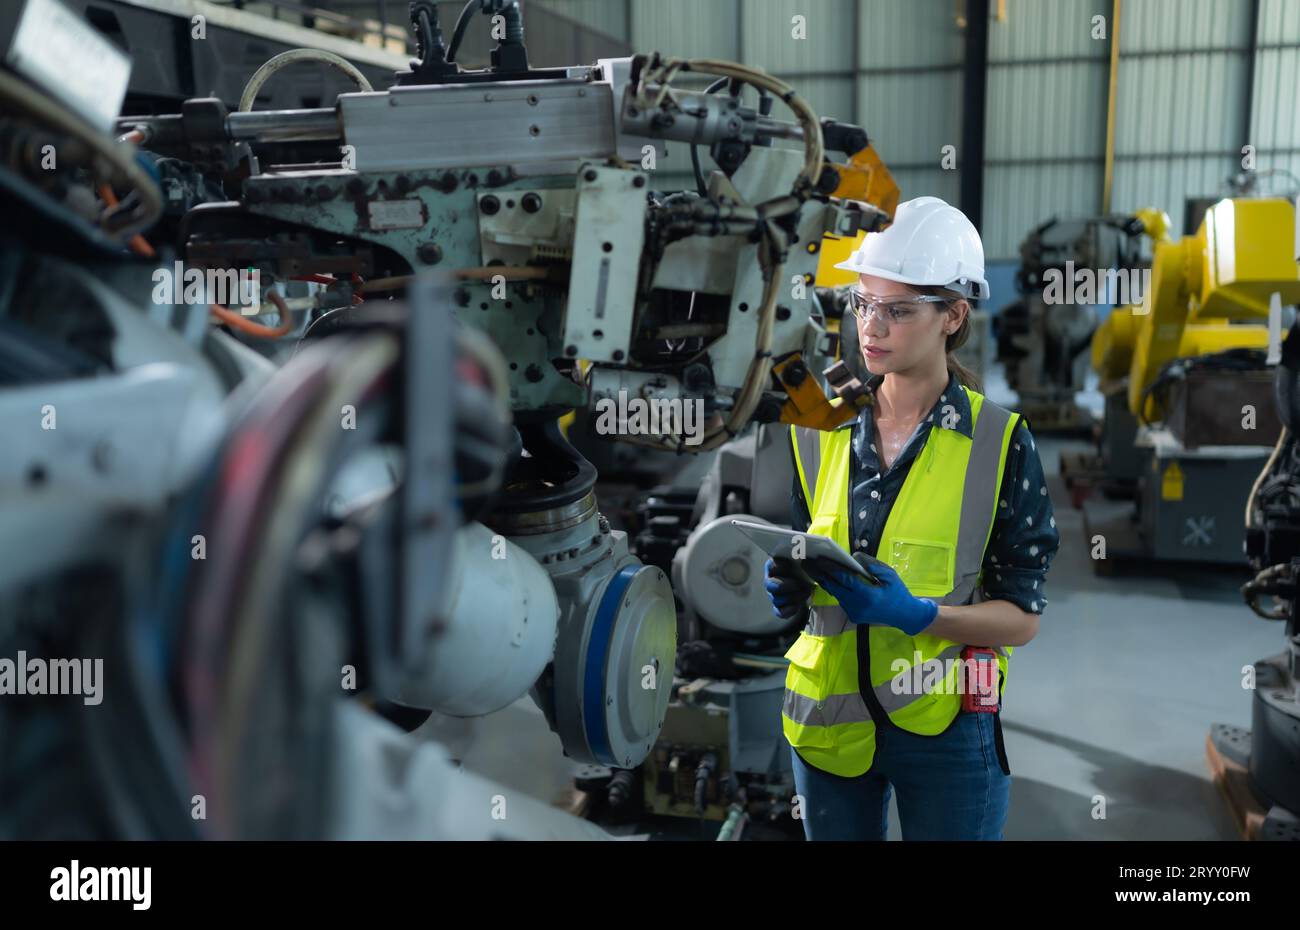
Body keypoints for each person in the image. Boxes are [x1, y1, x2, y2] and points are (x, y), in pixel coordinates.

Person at [764, 196, 1060, 840]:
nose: (871, 327)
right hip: (826, 722)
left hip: (945, 723)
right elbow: (800, 553)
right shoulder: (818, 425)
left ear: (953, 315)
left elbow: (1022, 618)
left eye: (897, 310)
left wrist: (922, 616)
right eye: (864, 304)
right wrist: (790, 586)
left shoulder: (999, 441)